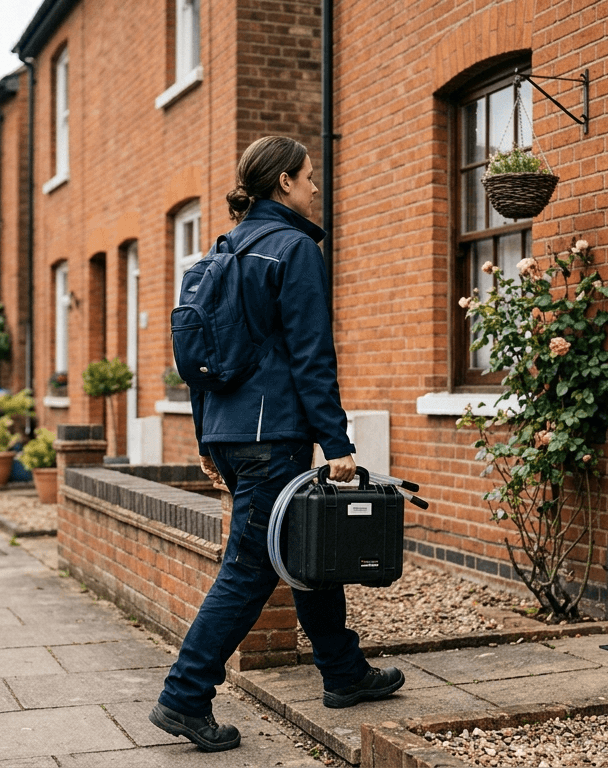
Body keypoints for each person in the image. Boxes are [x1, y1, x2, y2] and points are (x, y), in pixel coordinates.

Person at [149, 136, 404, 752]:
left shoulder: (221, 254)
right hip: (274, 436)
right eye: (309, 177)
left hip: (234, 435)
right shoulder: (293, 249)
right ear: (284, 183)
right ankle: (185, 696)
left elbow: (199, 363)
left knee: (310, 545)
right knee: (250, 569)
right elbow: (312, 357)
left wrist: (208, 441)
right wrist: (336, 442)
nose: (316, 188)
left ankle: (343, 672)